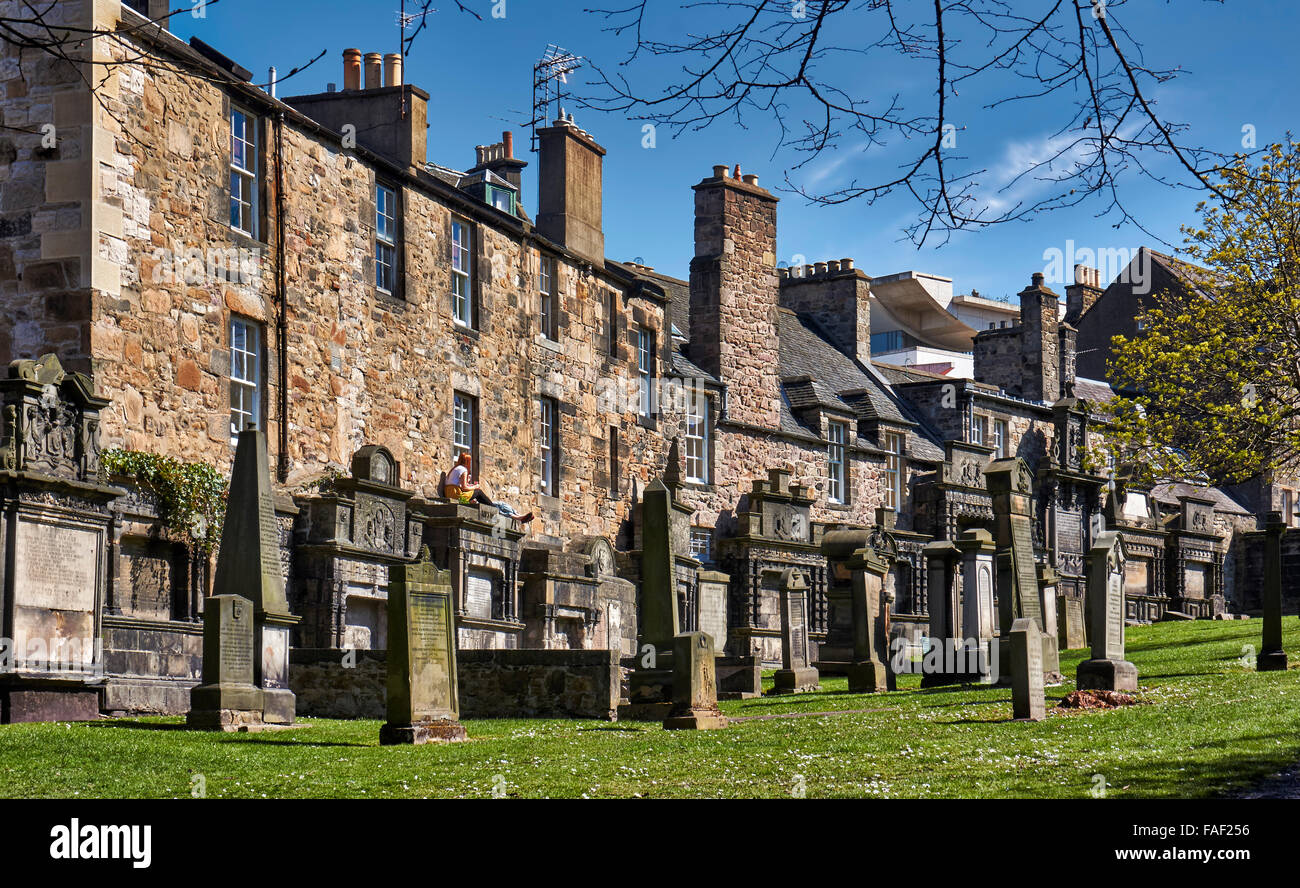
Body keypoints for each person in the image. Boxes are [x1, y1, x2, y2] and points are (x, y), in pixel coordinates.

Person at [444, 452, 533, 524]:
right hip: (456, 494)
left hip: (452, 492)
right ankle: (517, 516)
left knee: (500, 504)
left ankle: (517, 515)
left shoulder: (455, 468)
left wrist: (470, 486)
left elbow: (460, 485)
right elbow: (464, 487)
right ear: (467, 461)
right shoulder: (463, 469)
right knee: (480, 493)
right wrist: (475, 486)